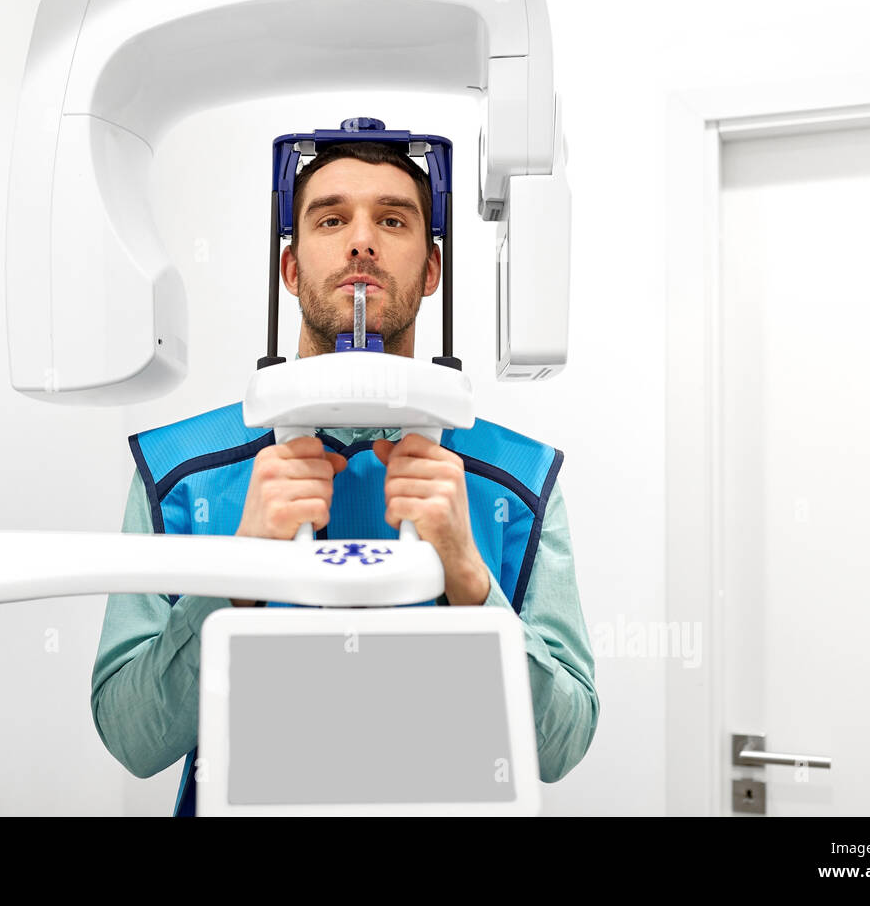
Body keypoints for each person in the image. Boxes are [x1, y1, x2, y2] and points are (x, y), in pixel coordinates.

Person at [90, 139, 599, 816]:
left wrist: (473, 585)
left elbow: (562, 745)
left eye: (392, 220)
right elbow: (132, 739)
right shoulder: (179, 471)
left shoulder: (518, 482)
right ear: (291, 267)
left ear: (432, 269)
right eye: (331, 220)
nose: (362, 242)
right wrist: (235, 579)